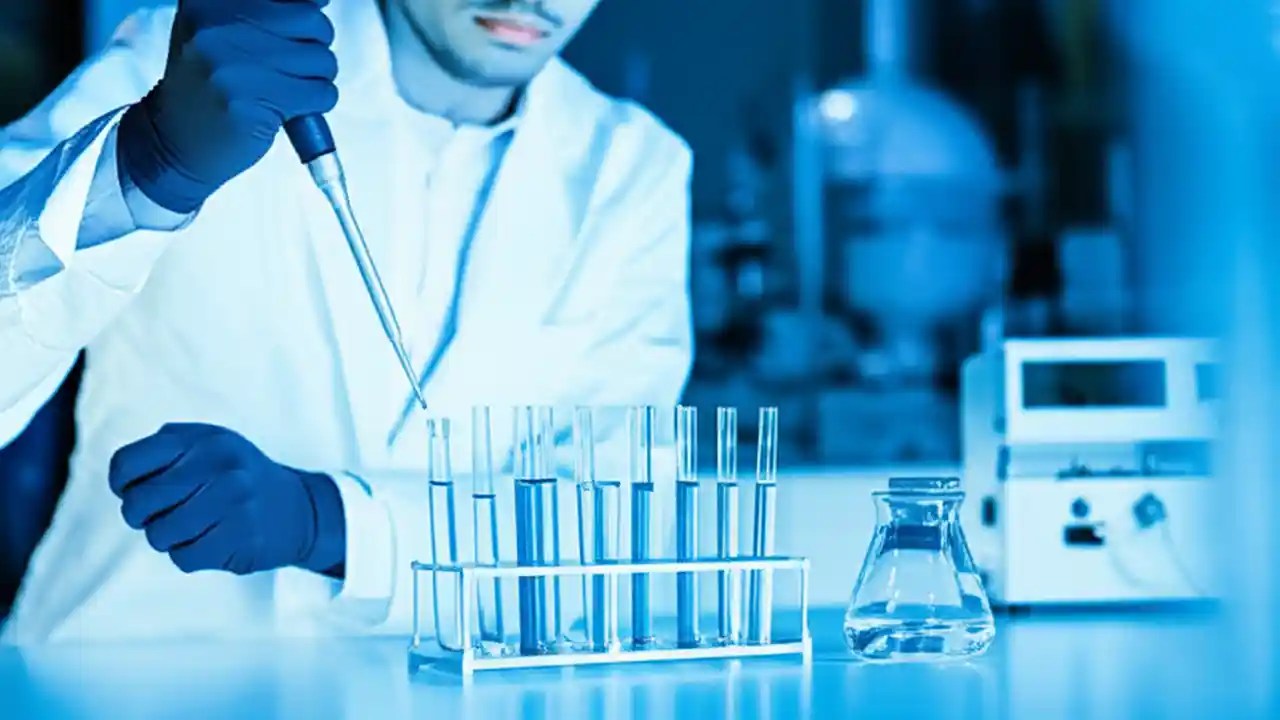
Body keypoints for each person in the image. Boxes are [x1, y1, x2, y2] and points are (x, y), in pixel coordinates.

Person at [0, 0, 692, 643]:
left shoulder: (629, 168)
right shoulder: (193, 59)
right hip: (119, 675)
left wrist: (330, 524)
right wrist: (146, 167)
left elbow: (611, 537)